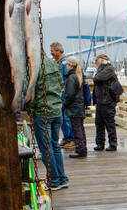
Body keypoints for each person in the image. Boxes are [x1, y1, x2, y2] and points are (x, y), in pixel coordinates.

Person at [31, 48, 68, 190]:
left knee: (46, 148)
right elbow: (61, 84)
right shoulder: (53, 64)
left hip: (42, 111)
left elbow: (29, 89)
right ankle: (62, 178)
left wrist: (29, 106)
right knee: (55, 145)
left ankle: (53, 181)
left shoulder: (34, 66)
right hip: (56, 110)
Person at [92, 53, 123, 151]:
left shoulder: (108, 68)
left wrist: (95, 78)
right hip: (101, 100)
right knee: (99, 123)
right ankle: (100, 143)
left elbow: (98, 78)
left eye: (96, 60)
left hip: (108, 100)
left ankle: (113, 144)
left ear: (101, 60)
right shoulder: (101, 69)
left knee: (109, 123)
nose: (95, 63)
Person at [63, 56, 88, 159]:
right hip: (80, 106)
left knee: (77, 129)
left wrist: (64, 104)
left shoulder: (71, 78)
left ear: (70, 65)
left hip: (74, 107)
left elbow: (69, 94)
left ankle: (80, 150)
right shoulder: (79, 75)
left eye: (67, 65)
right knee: (80, 128)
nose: (66, 67)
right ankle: (82, 148)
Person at [50, 42, 73, 147]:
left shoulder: (64, 63)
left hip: (64, 95)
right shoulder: (58, 63)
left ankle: (71, 139)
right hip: (60, 95)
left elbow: (66, 80)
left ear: (58, 51)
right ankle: (66, 137)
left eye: (53, 51)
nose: (52, 54)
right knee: (62, 118)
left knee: (66, 117)